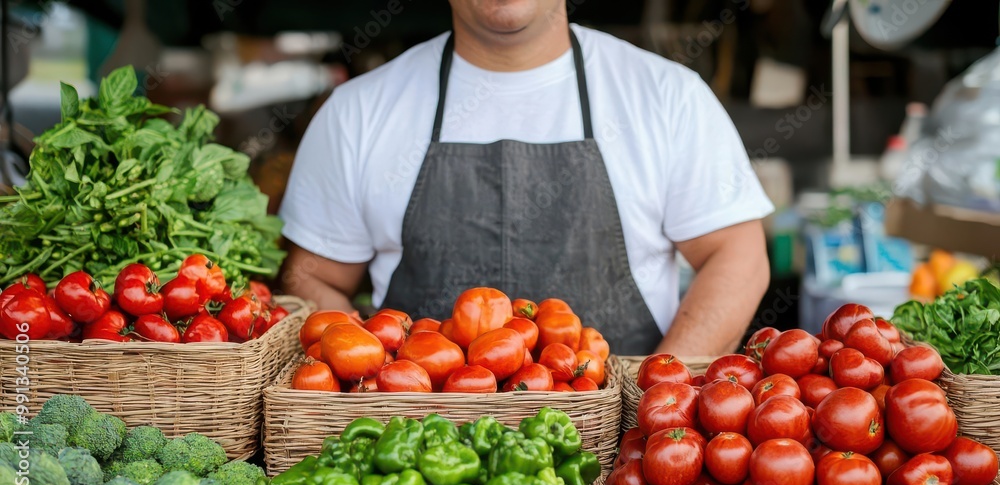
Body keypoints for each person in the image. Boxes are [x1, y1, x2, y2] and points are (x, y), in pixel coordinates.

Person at [279, 0, 773, 357]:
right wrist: (373, 380)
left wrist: (656, 401)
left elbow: (737, 256)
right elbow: (311, 277)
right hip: (422, 460)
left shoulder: (668, 97)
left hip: (626, 466)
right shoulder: (357, 113)